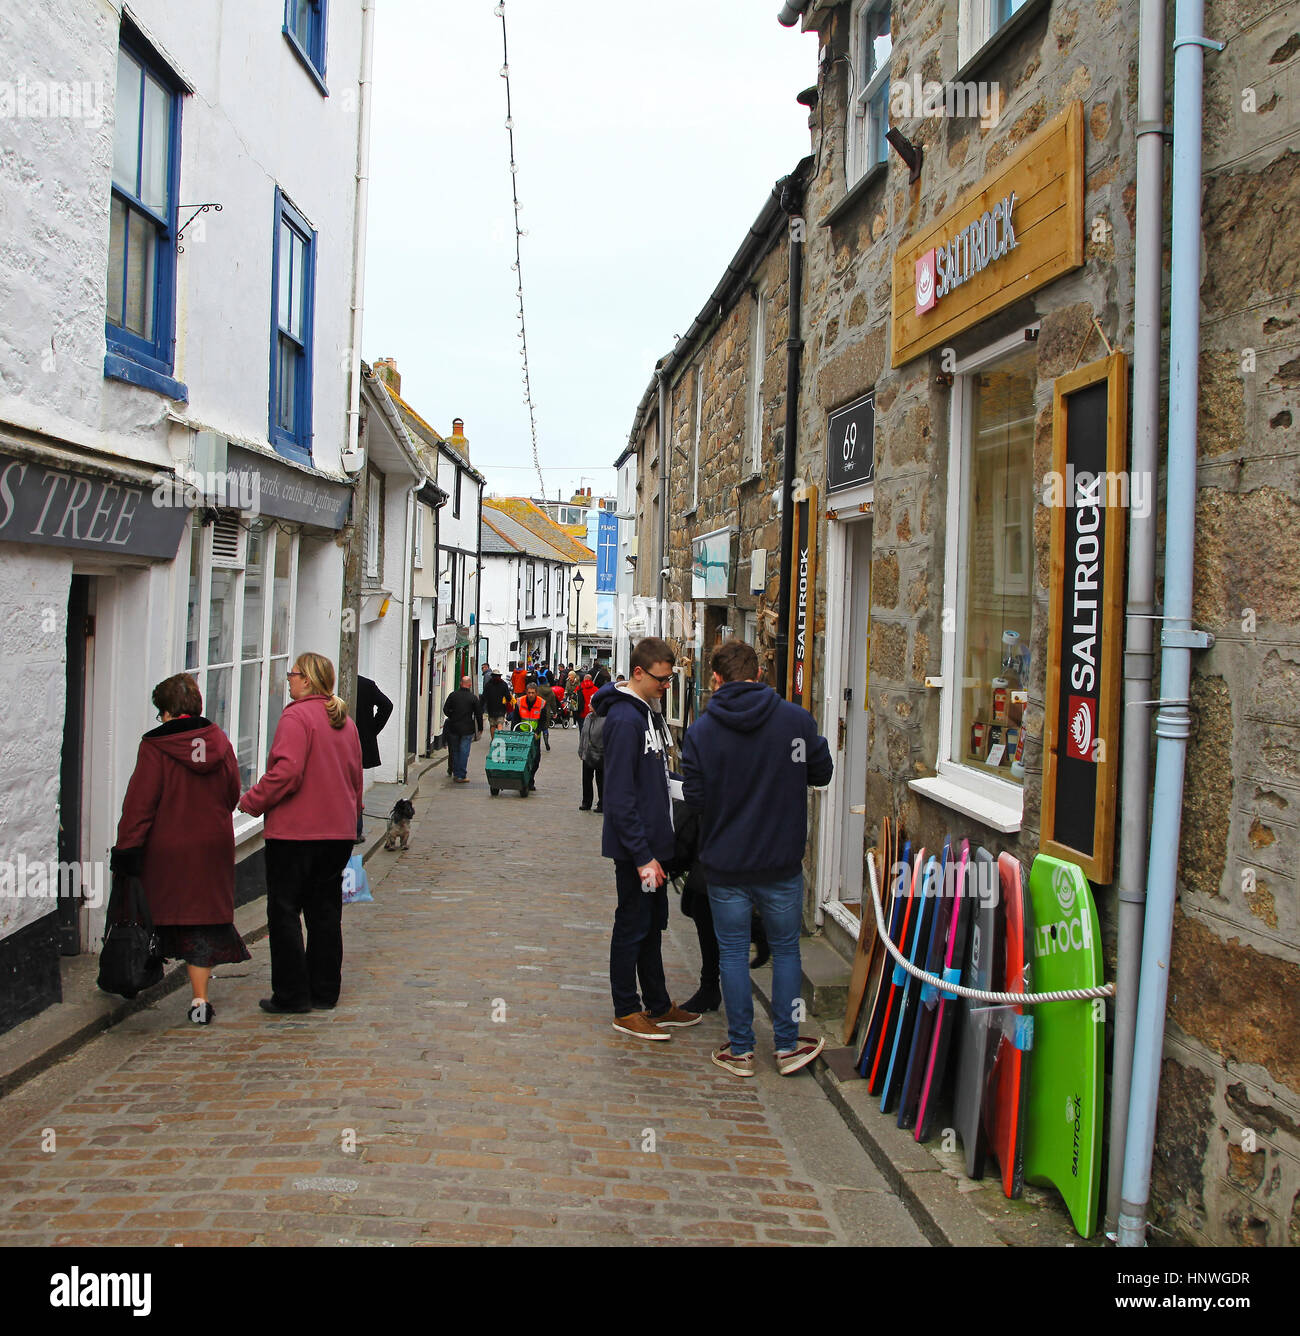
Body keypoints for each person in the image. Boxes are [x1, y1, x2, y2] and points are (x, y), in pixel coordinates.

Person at [682, 639, 833, 1078]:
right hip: (780, 860)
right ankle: (787, 1046)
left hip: (726, 862)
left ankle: (742, 1049)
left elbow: (695, 797)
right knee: (786, 949)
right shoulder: (795, 721)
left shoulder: (702, 732)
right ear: (760, 673)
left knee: (731, 952)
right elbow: (820, 773)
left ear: (715, 678)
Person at [111, 673, 248, 1025]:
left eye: (161, 713)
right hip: (211, 846)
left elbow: (140, 803)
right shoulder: (219, 741)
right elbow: (233, 792)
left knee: (155, 916)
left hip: (167, 848)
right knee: (201, 922)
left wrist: (127, 847)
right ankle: (200, 1000)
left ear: (169, 711)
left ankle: (133, 974)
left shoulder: (155, 746)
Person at [239, 652, 364, 1015]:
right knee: (325, 912)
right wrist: (351, 819)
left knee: (285, 911)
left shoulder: (296, 717)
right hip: (336, 834)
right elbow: (355, 778)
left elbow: (287, 773)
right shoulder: (343, 721)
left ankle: (292, 993)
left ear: (307, 680)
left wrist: (251, 801)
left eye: (292, 674)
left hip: (296, 834)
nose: (288, 680)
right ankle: (324, 991)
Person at [595, 637, 699, 1041]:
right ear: (639, 673)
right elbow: (620, 797)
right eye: (661, 679)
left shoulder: (649, 714)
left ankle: (657, 1003)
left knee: (652, 925)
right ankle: (626, 1008)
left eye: (670, 679)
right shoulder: (625, 721)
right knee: (632, 924)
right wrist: (641, 856)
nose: (666, 686)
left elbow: (653, 779)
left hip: (656, 846)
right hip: (637, 851)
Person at [443, 675, 484, 784]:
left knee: (455, 751)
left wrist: (452, 716)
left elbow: (445, 709)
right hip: (467, 728)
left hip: (454, 727)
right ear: (470, 685)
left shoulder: (453, 696)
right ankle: (461, 775)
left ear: (461, 683)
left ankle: (456, 774)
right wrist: (480, 728)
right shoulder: (473, 698)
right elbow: (478, 714)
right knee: (464, 752)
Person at [508, 681, 548, 790]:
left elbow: (543, 721)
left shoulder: (542, 703)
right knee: (520, 759)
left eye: (533, 693)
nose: (531, 695)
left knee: (535, 760)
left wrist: (537, 731)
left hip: (534, 736)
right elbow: (515, 719)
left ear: (536, 693)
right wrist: (515, 732)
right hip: (522, 735)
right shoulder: (520, 702)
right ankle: (521, 779)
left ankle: (530, 779)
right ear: (526, 692)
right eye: (529, 692)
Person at [355, 676, 393, 771]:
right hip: (360, 740)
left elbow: (387, 706)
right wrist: (370, 731)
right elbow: (387, 705)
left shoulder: (326, 684)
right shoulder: (366, 684)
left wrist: (371, 731)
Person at [536, 675, 558, 751]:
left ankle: (537, 744)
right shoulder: (550, 690)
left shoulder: (537, 690)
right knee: (545, 727)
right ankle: (546, 742)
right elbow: (553, 703)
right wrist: (555, 712)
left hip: (538, 711)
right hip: (547, 711)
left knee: (538, 727)